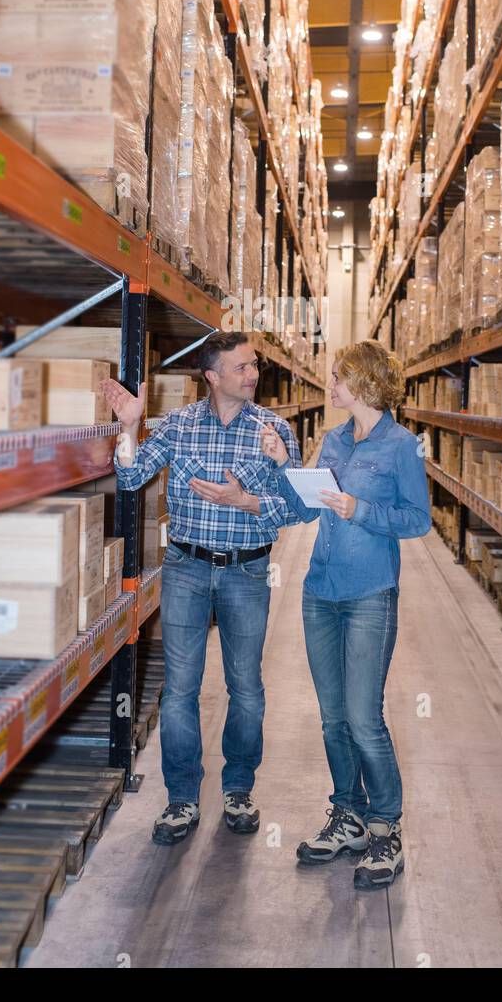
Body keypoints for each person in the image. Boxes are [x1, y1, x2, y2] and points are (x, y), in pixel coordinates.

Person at [101, 332, 301, 845]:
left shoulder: (274, 430)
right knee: (181, 690)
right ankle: (182, 798)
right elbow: (130, 477)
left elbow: (301, 506)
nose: (252, 374)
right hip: (187, 569)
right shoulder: (178, 426)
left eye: (254, 365)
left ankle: (238, 789)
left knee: (246, 688)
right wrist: (128, 428)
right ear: (212, 377)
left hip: (247, 571)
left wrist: (251, 497)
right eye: (240, 368)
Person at [260, 339, 431, 890]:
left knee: (364, 717)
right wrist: (287, 468)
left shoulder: (401, 446)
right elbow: (309, 507)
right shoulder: (333, 439)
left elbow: (417, 520)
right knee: (333, 718)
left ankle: (386, 829)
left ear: (362, 383)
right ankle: (349, 815)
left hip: (369, 594)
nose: (330, 385)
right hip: (321, 591)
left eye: (338, 377)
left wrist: (361, 509)